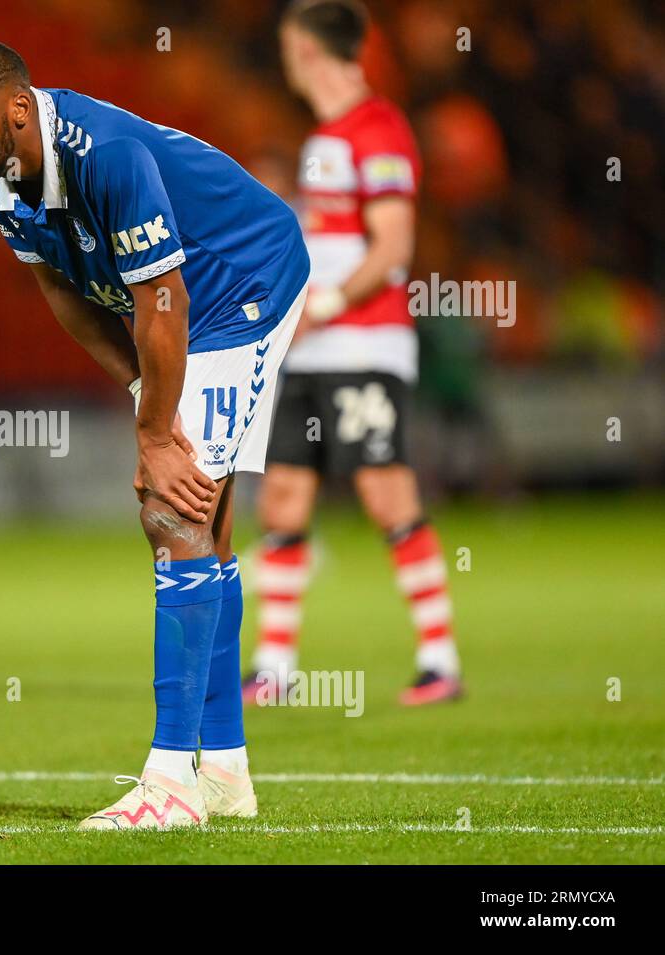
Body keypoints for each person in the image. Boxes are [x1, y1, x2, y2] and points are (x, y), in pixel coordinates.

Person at [0, 40, 310, 828]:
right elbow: (64, 291)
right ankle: (226, 777)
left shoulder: (110, 159)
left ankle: (170, 783)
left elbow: (161, 303)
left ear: (19, 111)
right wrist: (146, 395)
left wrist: (154, 434)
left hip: (240, 284)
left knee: (171, 513)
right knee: (204, 518)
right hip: (183, 310)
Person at [244, 0, 463, 708]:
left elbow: (394, 246)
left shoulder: (379, 127)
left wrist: (329, 305)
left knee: (383, 487)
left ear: (307, 50)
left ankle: (439, 657)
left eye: (285, 47)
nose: (283, 62)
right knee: (282, 492)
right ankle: (275, 666)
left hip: (364, 342)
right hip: (310, 349)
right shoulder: (322, 140)